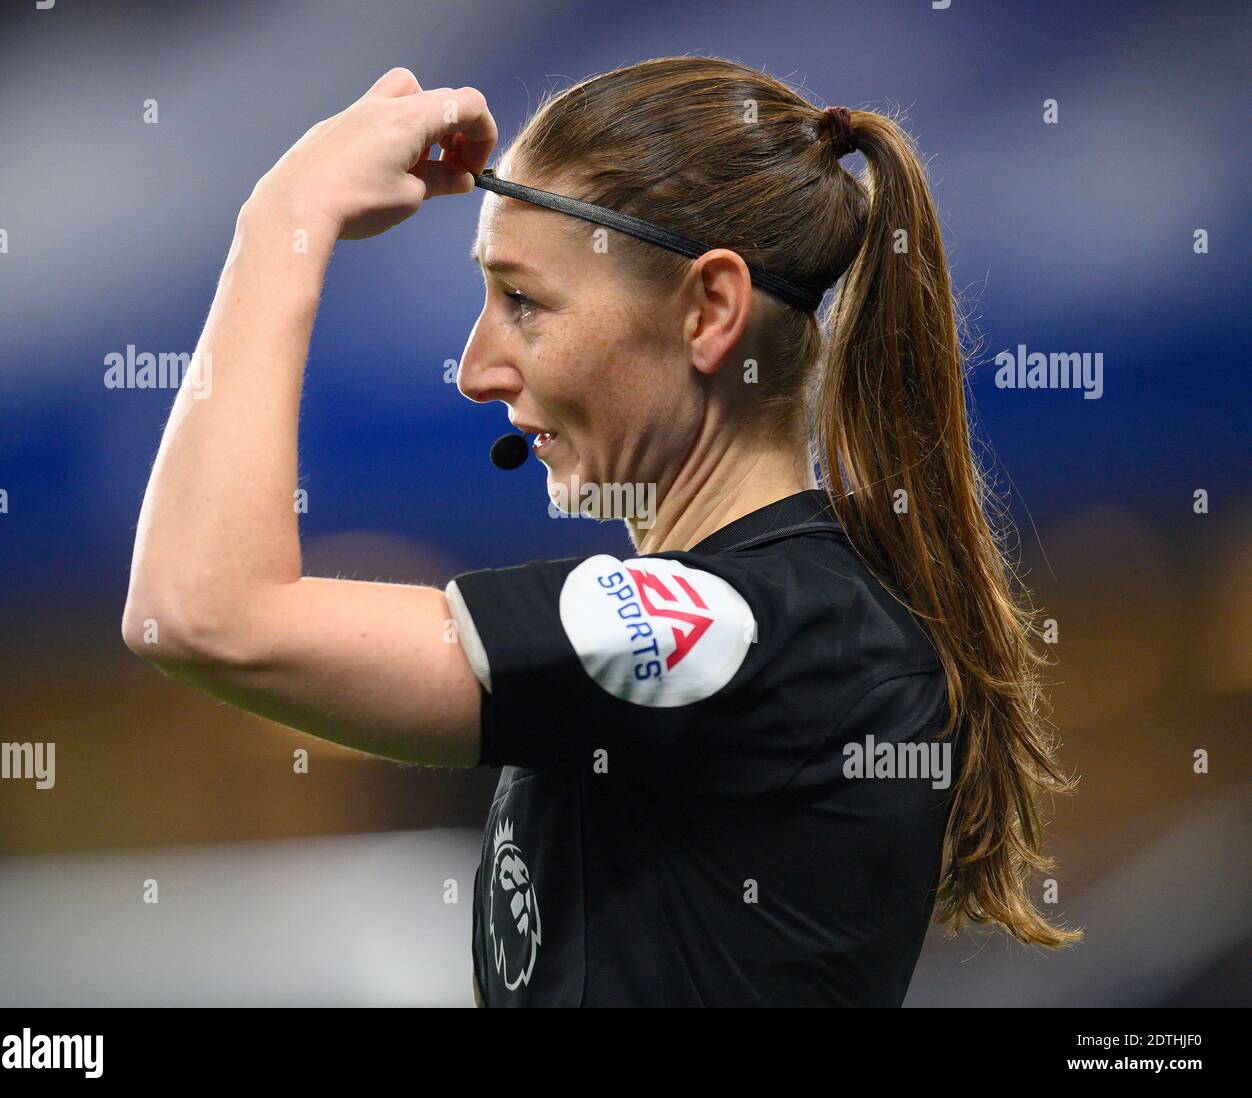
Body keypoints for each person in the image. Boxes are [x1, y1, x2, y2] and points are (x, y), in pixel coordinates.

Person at [123, 57, 1081, 1008]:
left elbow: (200, 611)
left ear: (710, 311)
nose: (475, 369)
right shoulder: (772, 624)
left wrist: (284, 218)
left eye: (525, 303)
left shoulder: (742, 630)